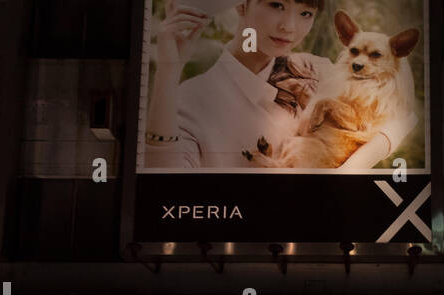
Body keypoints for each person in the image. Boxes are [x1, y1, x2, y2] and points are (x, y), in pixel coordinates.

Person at [144, 0, 416, 169]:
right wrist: (168, 73)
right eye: (276, 5)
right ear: (242, 5)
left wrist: (352, 169)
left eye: (305, 13)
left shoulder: (317, 68)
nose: (289, 27)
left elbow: (405, 118)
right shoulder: (192, 98)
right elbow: (163, 187)